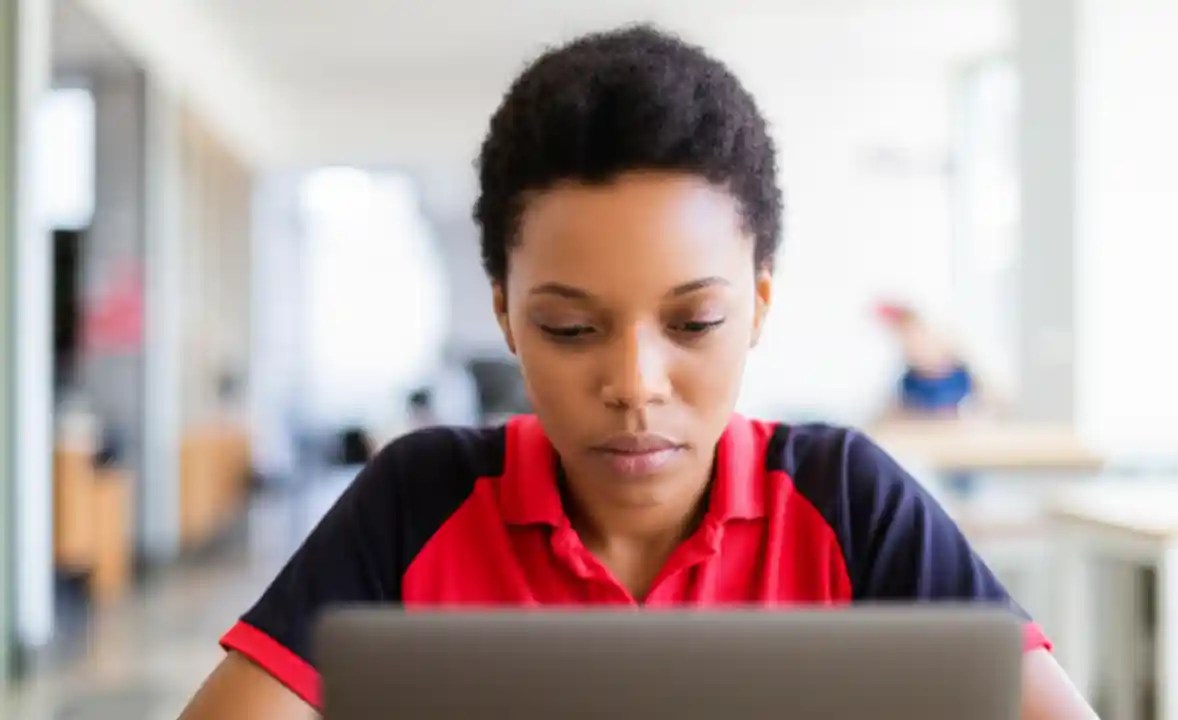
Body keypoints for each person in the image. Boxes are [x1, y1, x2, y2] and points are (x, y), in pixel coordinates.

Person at [180, 26, 1095, 720]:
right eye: (571, 327)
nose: (635, 382)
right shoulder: (415, 503)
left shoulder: (850, 504)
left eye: (694, 321)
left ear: (760, 305)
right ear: (505, 313)